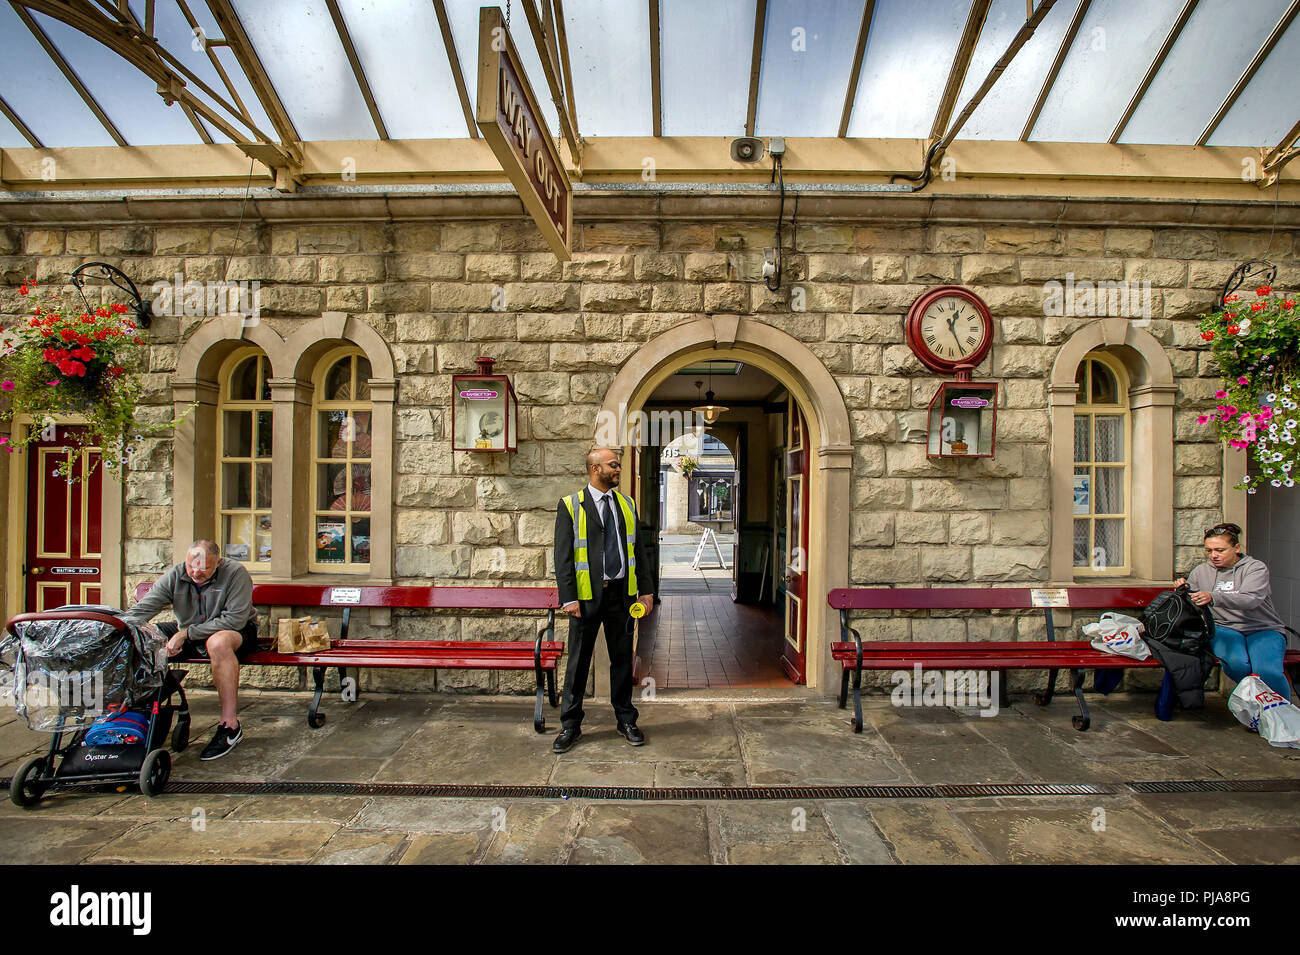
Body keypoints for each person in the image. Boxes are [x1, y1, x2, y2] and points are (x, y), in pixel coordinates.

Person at [552, 447, 656, 753]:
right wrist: (569, 597)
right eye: (613, 465)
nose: (618, 469)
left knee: (622, 661)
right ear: (595, 469)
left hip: (622, 597)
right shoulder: (571, 505)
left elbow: (639, 551)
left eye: (618, 465)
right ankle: (570, 725)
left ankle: (626, 720)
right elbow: (563, 557)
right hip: (585, 600)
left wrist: (647, 591)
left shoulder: (626, 504)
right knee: (578, 664)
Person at [123, 539, 260, 759]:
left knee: (218, 642)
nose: (196, 573)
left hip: (236, 631)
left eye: (204, 569)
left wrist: (185, 634)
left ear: (218, 562)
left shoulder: (235, 573)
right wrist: (114, 627)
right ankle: (129, 716)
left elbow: (234, 620)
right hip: (189, 630)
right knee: (142, 636)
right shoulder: (177, 574)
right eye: (191, 567)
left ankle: (230, 726)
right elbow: (143, 610)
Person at [1175, 522, 1293, 702]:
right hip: (1224, 628)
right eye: (1209, 550)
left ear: (1236, 548)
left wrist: (1213, 597)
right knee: (1237, 665)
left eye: (1220, 550)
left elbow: (1250, 599)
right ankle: (1258, 706)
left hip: (1263, 629)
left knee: (1267, 671)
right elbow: (1192, 602)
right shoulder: (1201, 571)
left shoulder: (1255, 568)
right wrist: (1183, 590)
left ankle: (1282, 715)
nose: (1213, 555)